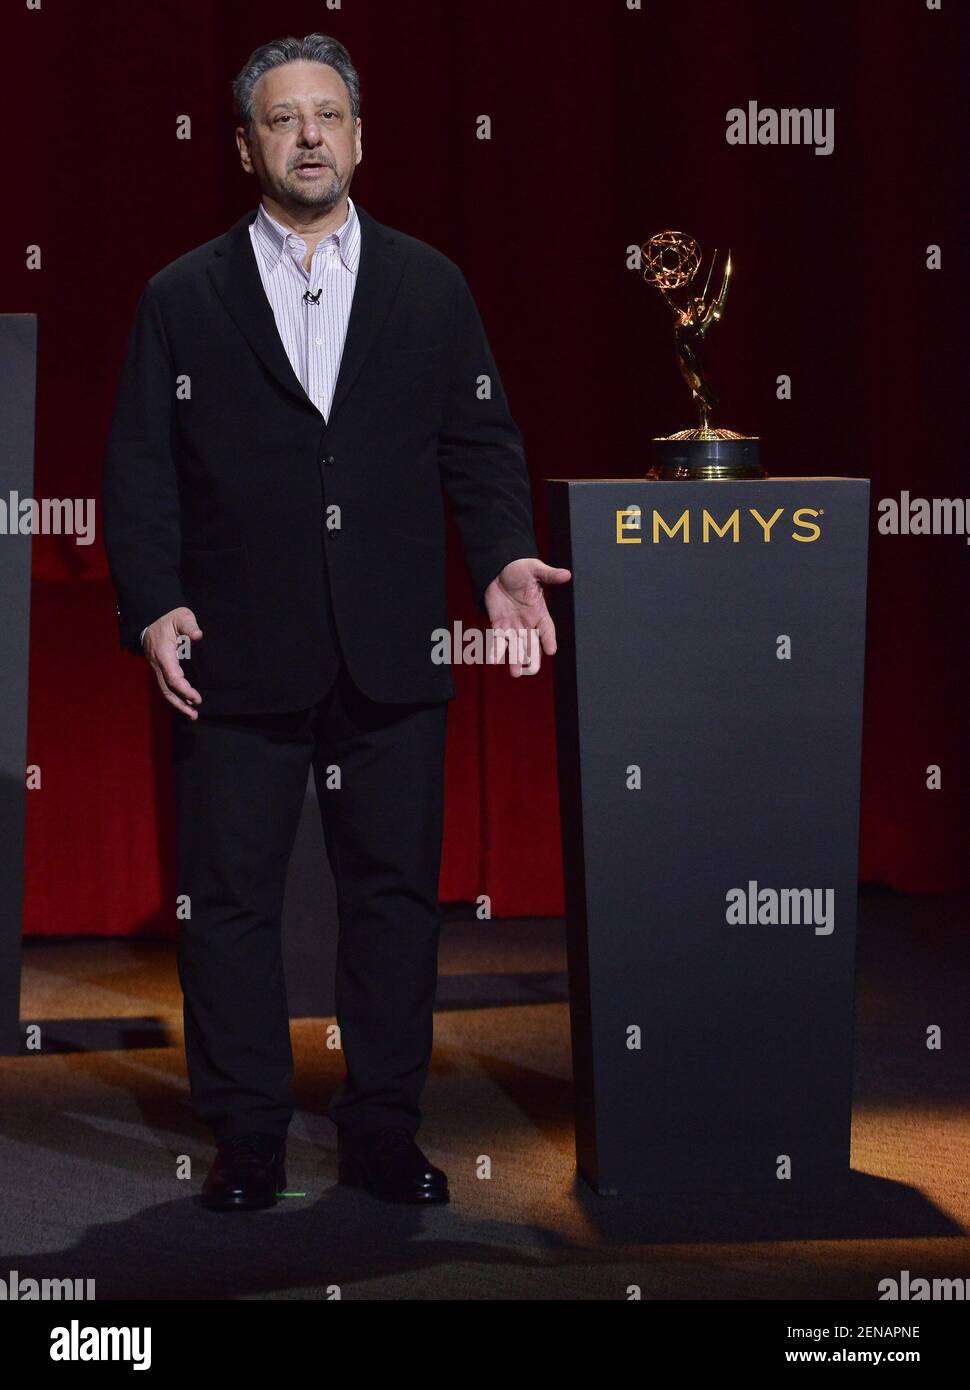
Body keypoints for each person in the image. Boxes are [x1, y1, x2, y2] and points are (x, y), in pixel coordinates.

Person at [102, 31, 570, 1211]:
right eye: (282, 117)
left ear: (359, 136)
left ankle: (379, 1128)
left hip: (391, 649)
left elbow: (478, 441)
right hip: (237, 654)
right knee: (232, 904)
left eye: (327, 115)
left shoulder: (431, 283)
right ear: (246, 143)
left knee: (394, 897)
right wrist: (152, 603)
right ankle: (249, 1134)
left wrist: (505, 555)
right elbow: (141, 469)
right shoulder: (179, 294)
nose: (308, 134)